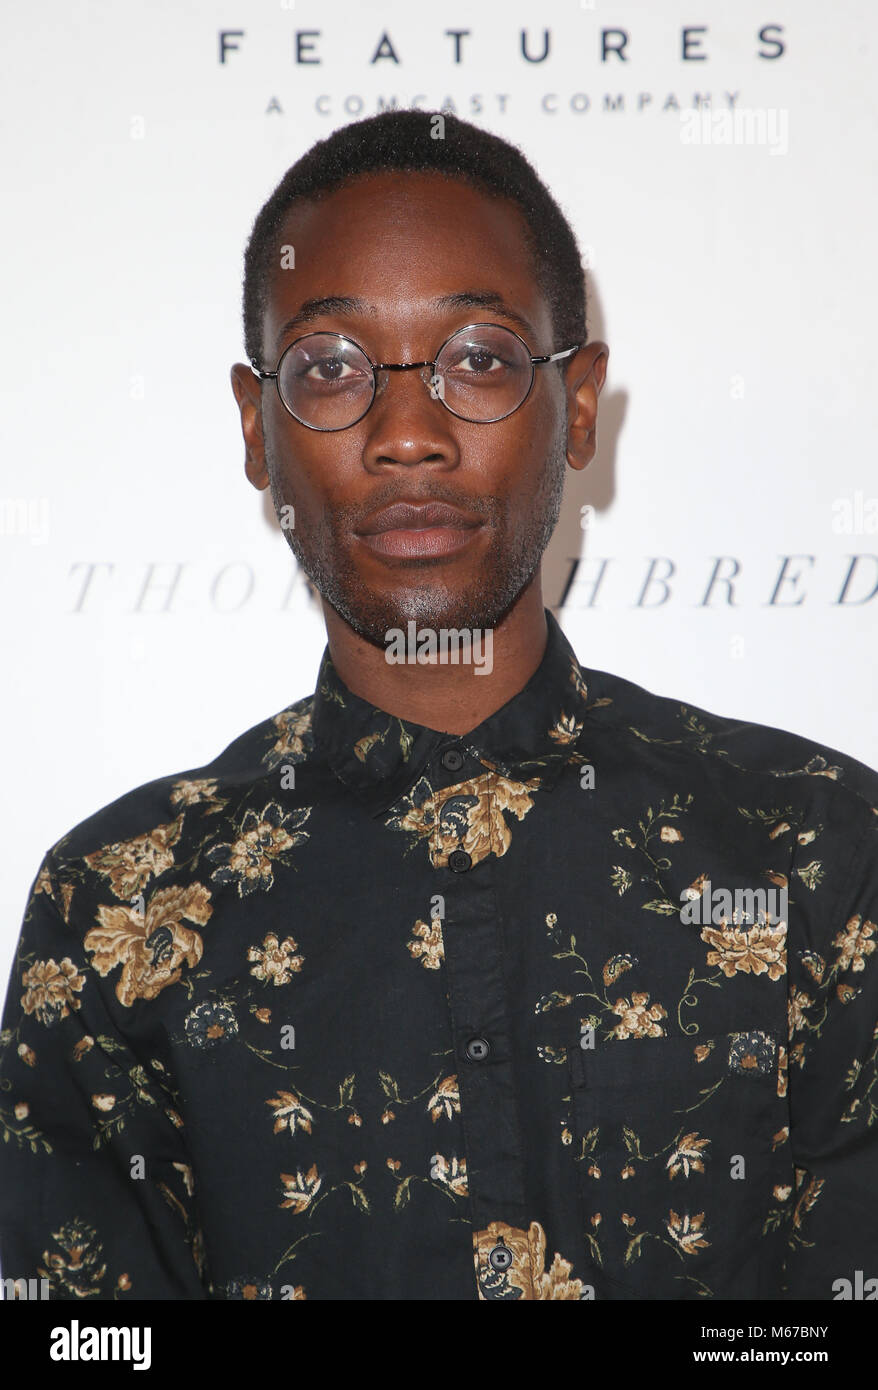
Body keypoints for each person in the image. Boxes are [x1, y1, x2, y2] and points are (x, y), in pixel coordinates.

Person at [1, 109, 876, 1303]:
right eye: (328, 368)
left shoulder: (816, 848)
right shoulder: (117, 903)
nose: (406, 433)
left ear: (575, 402)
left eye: (476, 357)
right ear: (256, 432)